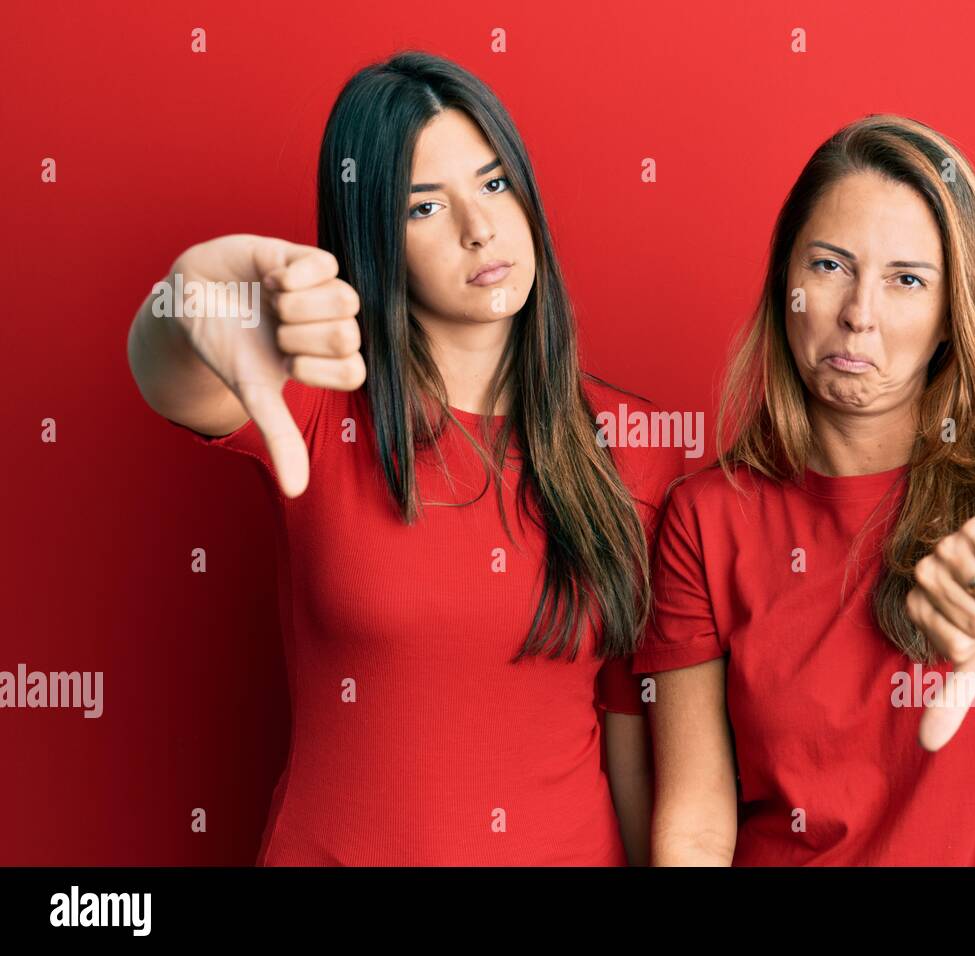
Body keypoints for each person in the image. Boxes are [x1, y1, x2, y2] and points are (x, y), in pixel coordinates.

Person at [126, 51, 680, 865]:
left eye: (494, 185)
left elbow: (629, 719)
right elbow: (169, 371)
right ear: (374, 236)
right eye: (424, 207)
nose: (479, 227)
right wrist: (182, 300)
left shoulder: (634, 445)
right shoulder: (313, 402)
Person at [634, 114, 975, 866]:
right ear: (784, 282)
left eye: (907, 280)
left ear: (950, 316)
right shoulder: (707, 519)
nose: (860, 313)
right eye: (829, 266)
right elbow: (696, 827)